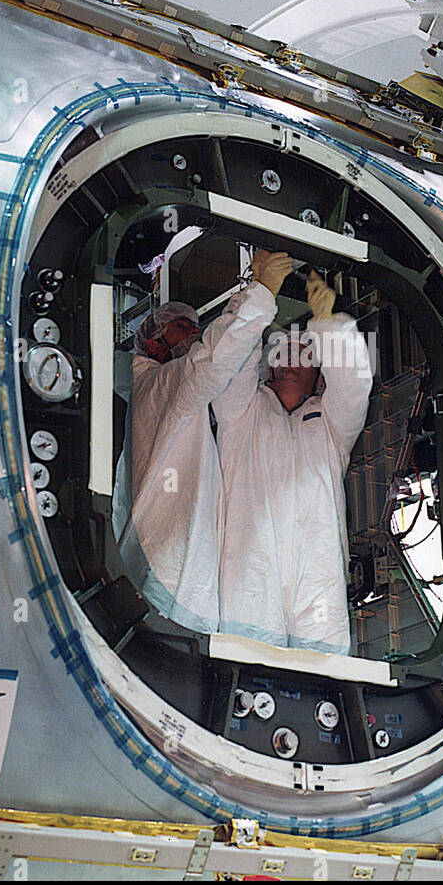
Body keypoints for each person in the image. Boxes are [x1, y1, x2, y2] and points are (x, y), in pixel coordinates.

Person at [117, 249, 292, 634]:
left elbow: (229, 365)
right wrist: (260, 292)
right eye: (182, 325)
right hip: (172, 574)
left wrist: (252, 300)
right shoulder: (159, 386)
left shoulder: (170, 390)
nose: (194, 331)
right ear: (154, 343)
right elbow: (211, 362)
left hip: (181, 578)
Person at [214, 271, 373, 653]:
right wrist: (262, 296)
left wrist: (327, 327)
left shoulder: (331, 427)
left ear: (319, 375)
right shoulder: (239, 413)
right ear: (266, 369)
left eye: (303, 354)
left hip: (318, 589)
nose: (289, 362)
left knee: (323, 679)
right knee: (246, 672)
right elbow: (229, 363)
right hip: (248, 583)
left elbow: (353, 385)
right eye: (280, 354)